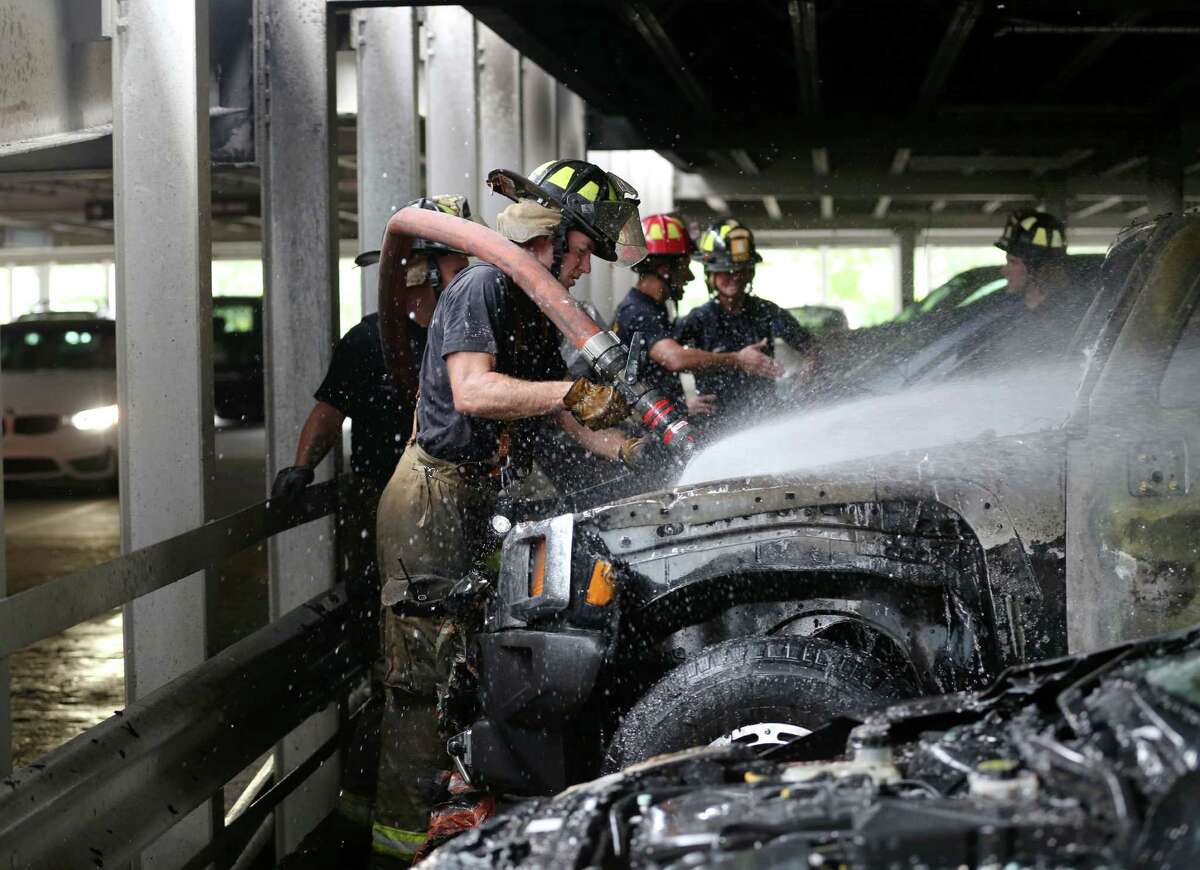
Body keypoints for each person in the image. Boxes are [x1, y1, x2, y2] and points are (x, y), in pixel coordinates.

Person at [370, 158, 648, 864]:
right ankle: (399, 849)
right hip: (431, 499)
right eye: (581, 250)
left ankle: (455, 824)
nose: (585, 267)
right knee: (423, 679)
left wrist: (622, 446)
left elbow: (558, 407)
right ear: (548, 234)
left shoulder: (529, 301)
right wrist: (569, 395)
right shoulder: (484, 285)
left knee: (466, 662)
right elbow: (474, 391)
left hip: (473, 495)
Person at [268, 195, 473, 850]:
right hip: (382, 510)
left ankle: (412, 798)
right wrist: (301, 466)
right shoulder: (370, 341)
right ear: (420, 269)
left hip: (449, 511)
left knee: (435, 658)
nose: (460, 276)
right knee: (395, 660)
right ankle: (377, 811)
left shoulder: (464, 336)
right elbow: (330, 410)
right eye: (451, 263)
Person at [614, 213, 780, 418]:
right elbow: (674, 358)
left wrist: (681, 405)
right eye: (685, 266)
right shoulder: (638, 311)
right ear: (665, 269)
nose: (690, 276)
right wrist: (738, 359)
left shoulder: (651, 308)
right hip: (639, 431)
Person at [674, 219, 813, 433]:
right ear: (711, 274)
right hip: (712, 423)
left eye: (740, 270)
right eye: (726, 271)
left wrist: (807, 376)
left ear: (750, 272)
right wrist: (683, 402)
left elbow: (810, 347)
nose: (734, 277)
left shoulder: (766, 312)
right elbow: (666, 360)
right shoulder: (698, 319)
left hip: (763, 420)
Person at [995, 209, 1069, 311]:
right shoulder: (1010, 310)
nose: (1003, 271)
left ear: (1038, 267)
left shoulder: (1070, 311)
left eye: (1013, 262)